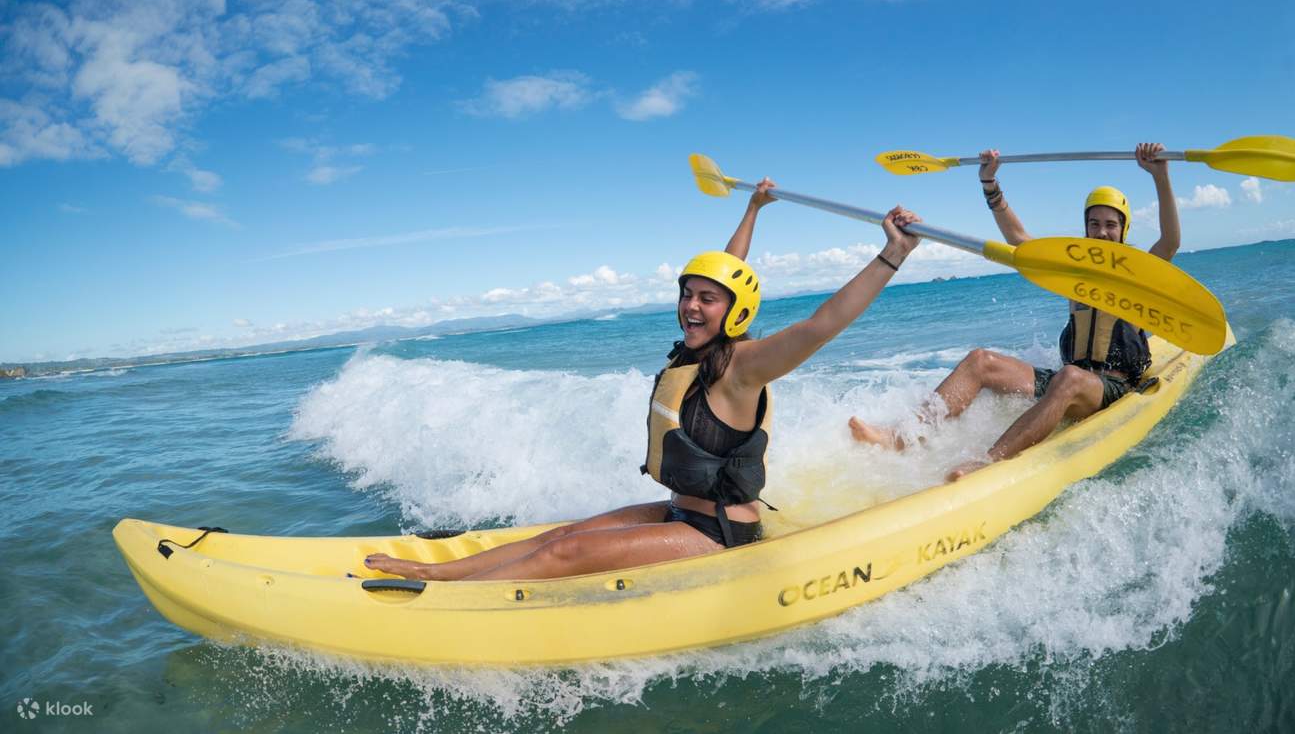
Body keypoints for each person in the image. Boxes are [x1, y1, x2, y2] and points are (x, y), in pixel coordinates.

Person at [364, 180, 922, 581]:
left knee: (566, 557)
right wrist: (754, 207)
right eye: (687, 294)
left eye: (707, 300)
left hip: (717, 534)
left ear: (734, 312)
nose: (692, 306)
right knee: (561, 536)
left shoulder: (743, 366)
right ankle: (442, 571)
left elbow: (821, 324)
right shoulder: (695, 351)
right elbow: (730, 268)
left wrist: (891, 255)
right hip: (681, 511)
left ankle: (440, 592)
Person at [848, 143, 1178, 482]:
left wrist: (1160, 175)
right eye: (1094, 223)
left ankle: (989, 463)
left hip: (1111, 388)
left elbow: (1169, 242)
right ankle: (902, 436)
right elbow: (1020, 240)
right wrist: (990, 184)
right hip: (1069, 381)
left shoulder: (1140, 274)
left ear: (1124, 230)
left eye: (1111, 224)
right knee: (980, 361)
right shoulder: (1074, 276)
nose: (1102, 232)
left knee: (1069, 378)